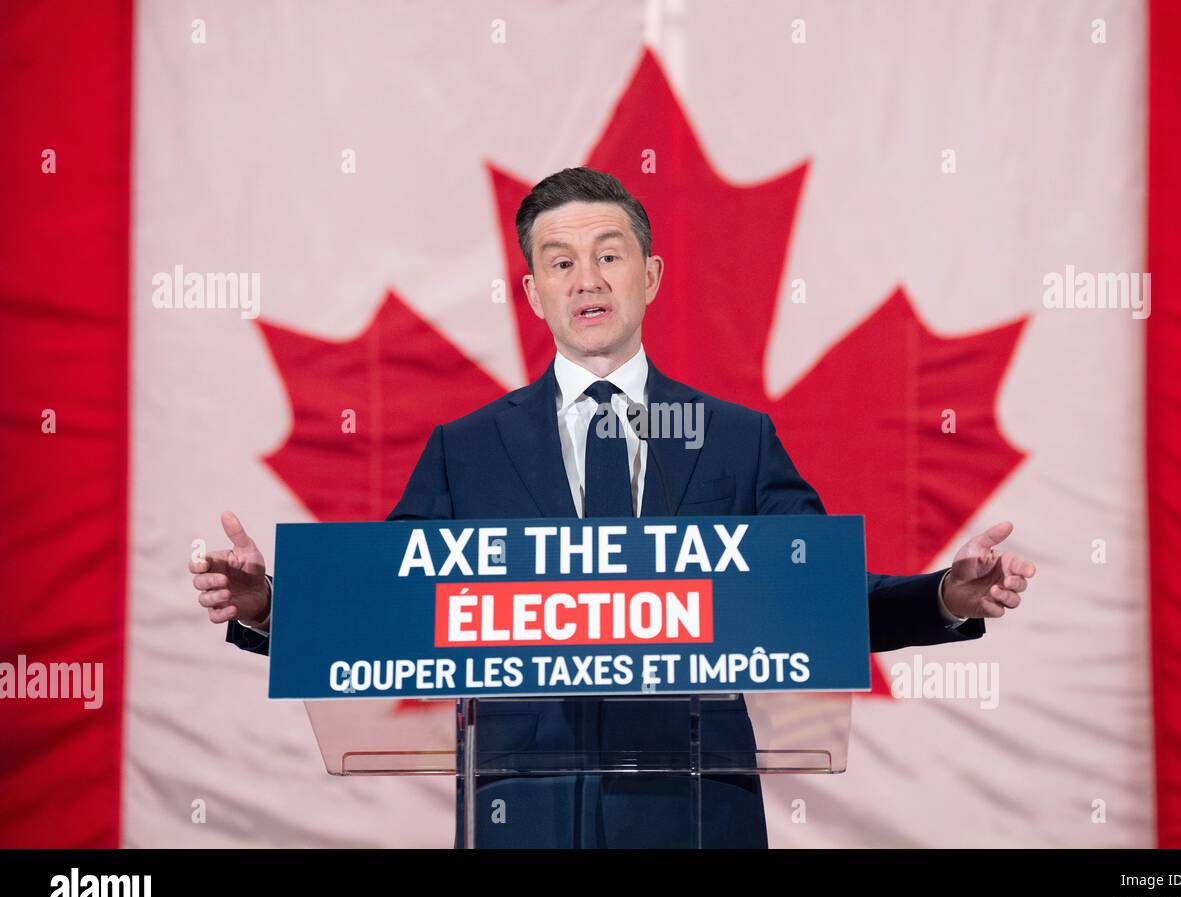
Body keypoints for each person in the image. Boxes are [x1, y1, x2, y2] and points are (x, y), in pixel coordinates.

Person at [189, 167, 1036, 847]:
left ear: (651, 274)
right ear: (532, 292)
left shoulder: (732, 440)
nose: (585, 278)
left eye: (609, 254)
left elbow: (812, 598)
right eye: (559, 261)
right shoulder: (466, 447)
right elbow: (392, 611)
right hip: (519, 810)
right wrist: (272, 607)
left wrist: (944, 597)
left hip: (695, 813)